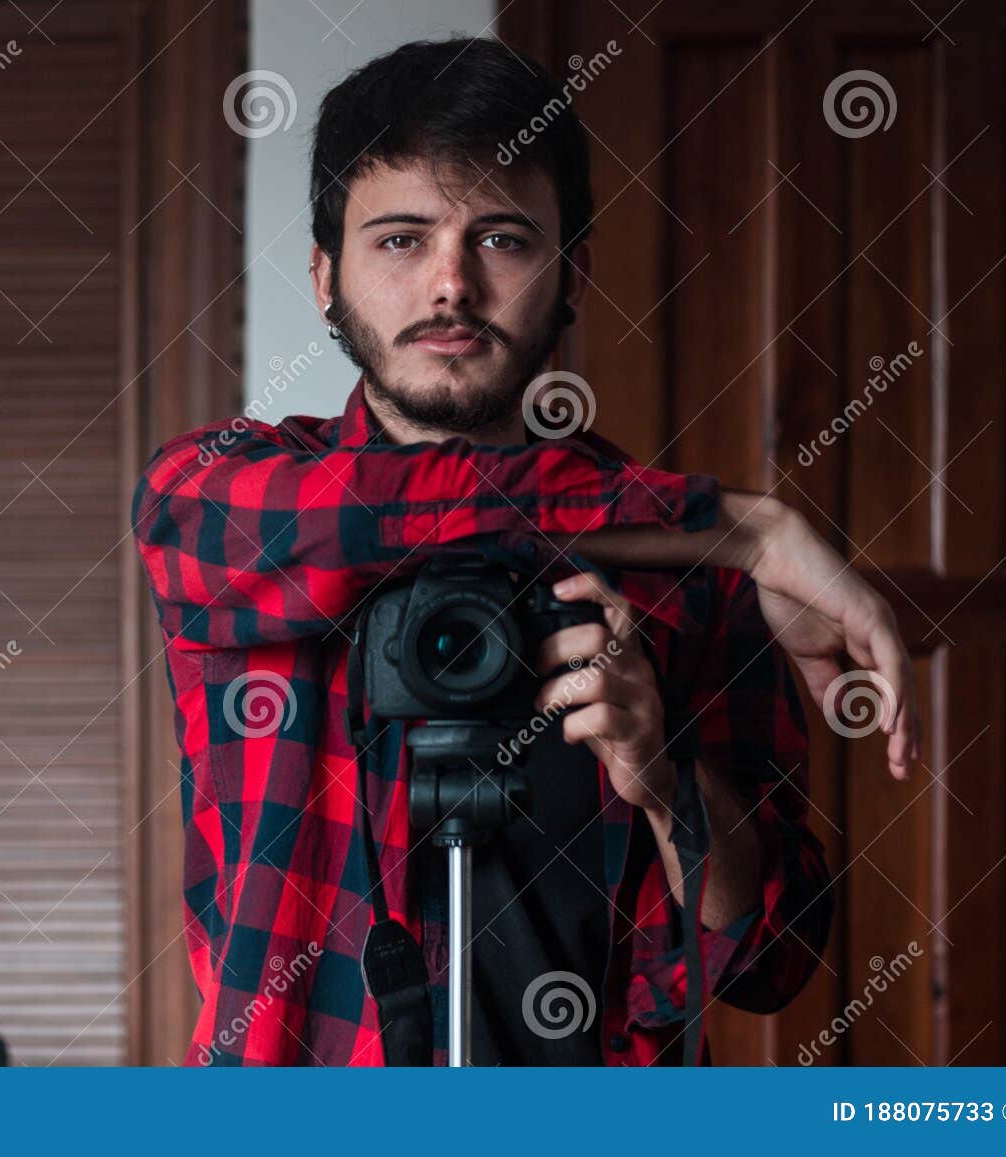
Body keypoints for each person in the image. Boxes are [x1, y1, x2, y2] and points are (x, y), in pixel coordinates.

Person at [132, 36, 919, 1066]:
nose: (450, 284)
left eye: (501, 239)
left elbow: (766, 962)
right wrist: (746, 524)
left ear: (572, 273)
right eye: (401, 240)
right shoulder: (223, 496)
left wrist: (669, 776)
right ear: (326, 277)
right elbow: (365, 512)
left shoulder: (683, 574)